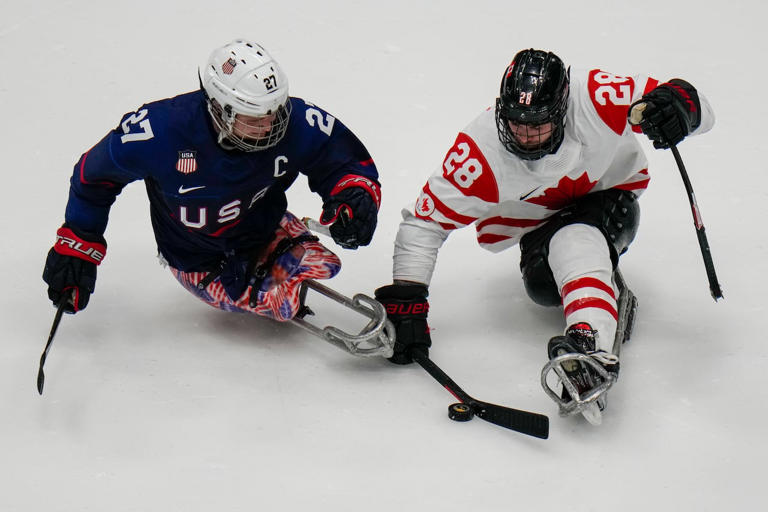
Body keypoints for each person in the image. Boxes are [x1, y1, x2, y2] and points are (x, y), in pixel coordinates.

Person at [375, 49, 714, 419]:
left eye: (537, 123)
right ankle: (595, 286)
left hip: (609, 199)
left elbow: (699, 110)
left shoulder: (594, 96)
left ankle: (590, 341)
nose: (523, 134)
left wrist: (682, 106)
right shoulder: (480, 152)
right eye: (515, 121)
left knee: (575, 238)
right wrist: (408, 302)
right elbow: (423, 223)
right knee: (543, 287)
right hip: (537, 232)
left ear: (562, 110)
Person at [43, 39, 381, 323]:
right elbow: (93, 176)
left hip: (262, 228)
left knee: (324, 263)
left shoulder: (294, 121)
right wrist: (78, 244)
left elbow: (344, 159)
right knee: (281, 300)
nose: (270, 127)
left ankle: (269, 251)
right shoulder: (159, 133)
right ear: (219, 108)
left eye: (274, 112)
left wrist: (353, 197)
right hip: (197, 261)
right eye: (253, 118)